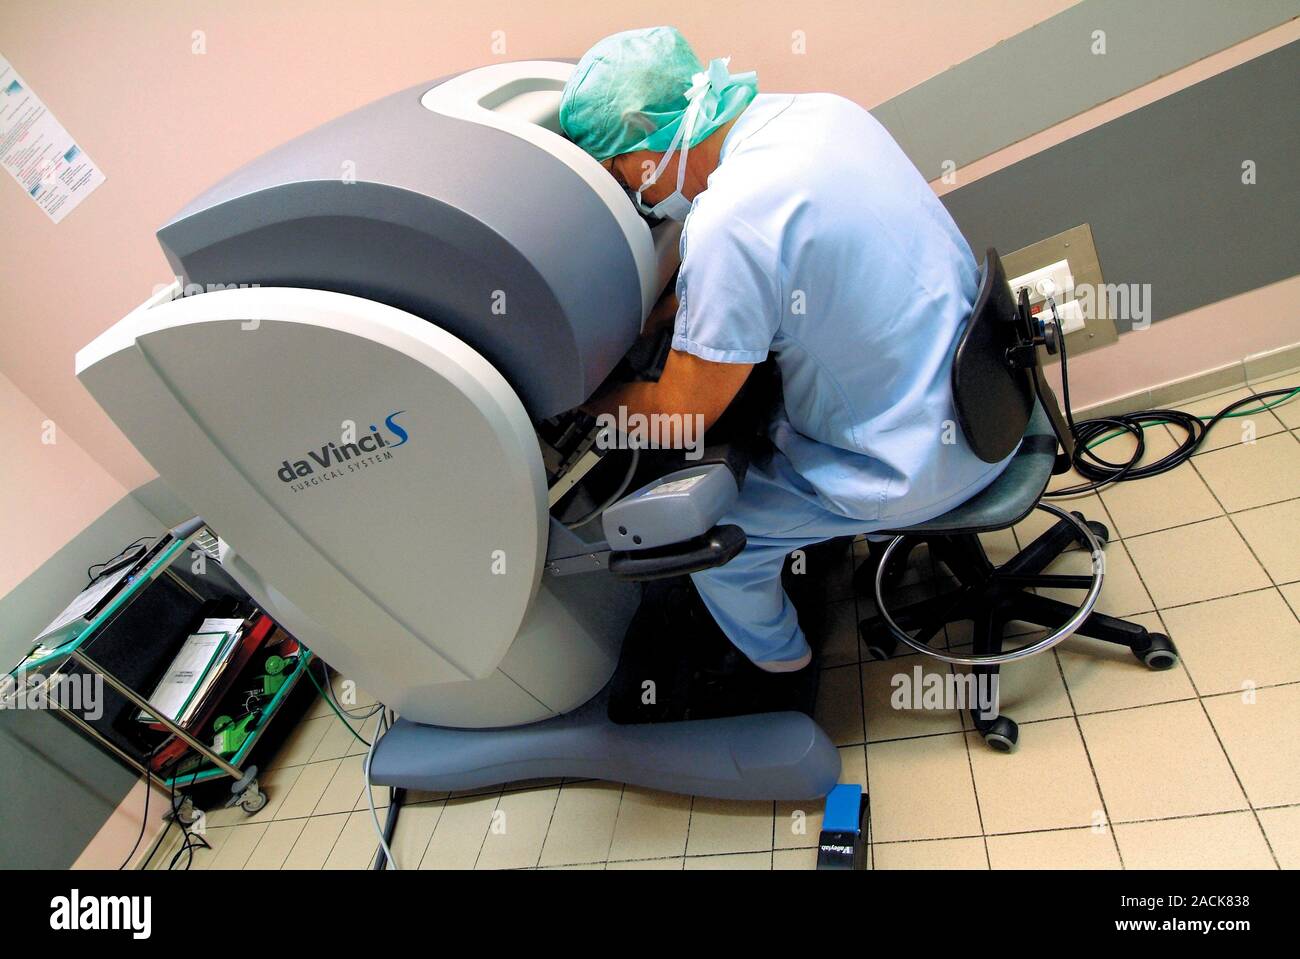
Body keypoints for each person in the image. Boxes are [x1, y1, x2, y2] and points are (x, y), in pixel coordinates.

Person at [561, 26, 1014, 672]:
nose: (627, 190)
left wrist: (586, 402)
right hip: (985, 391)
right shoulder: (820, 114)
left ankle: (779, 667)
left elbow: (680, 413)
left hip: (920, 458)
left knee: (717, 538)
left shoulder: (733, 220)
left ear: (643, 141)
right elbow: (762, 273)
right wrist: (658, 316)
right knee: (769, 404)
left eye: (614, 169)